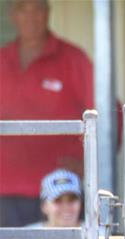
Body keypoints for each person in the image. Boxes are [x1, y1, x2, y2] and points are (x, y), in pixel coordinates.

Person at [0, 0, 94, 227]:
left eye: (38, 9)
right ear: (13, 15)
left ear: (48, 13)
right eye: (24, 9)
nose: (32, 16)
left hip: (59, 194)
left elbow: (110, 117)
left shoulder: (73, 59)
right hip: (4, 189)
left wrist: (89, 163)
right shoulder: (2, 60)